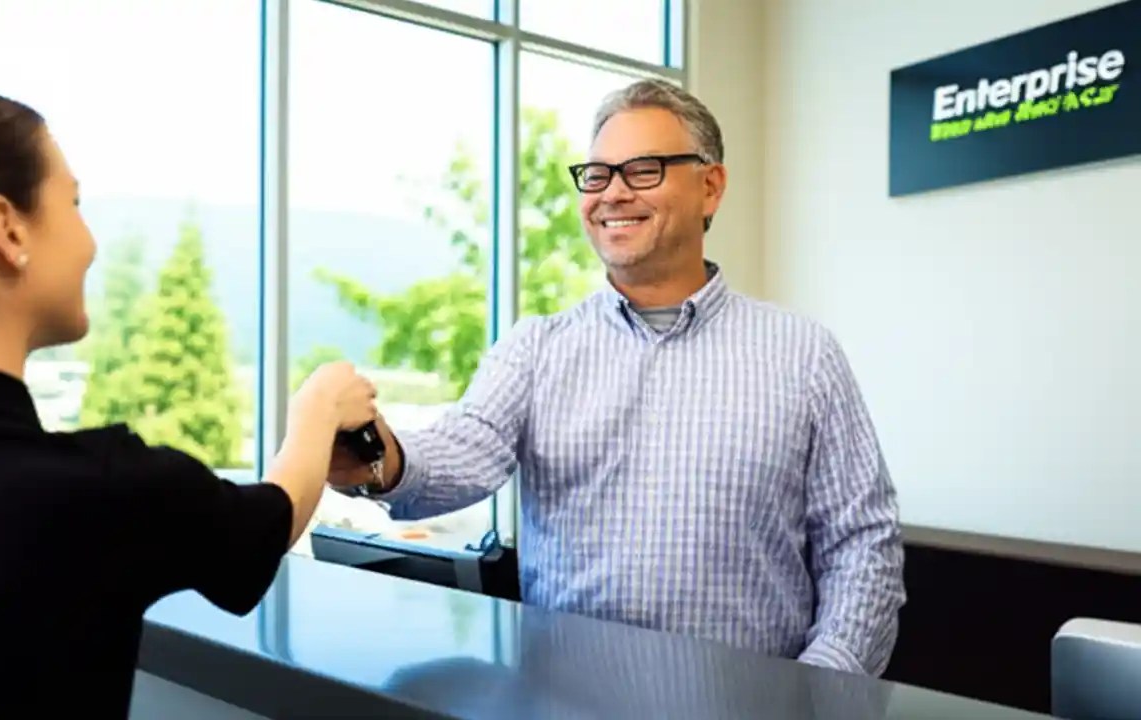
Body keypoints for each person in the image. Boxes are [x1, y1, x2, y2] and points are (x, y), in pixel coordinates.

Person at [329, 79, 906, 676]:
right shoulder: (537, 348)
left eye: (644, 170)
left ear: (711, 187)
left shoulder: (804, 355)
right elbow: (459, 454)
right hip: (567, 702)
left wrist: (819, 691)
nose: (613, 193)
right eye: (599, 175)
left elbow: (863, 546)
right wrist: (374, 459)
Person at [0, 81, 377, 719]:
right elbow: (263, 528)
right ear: (6, 227)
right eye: (73, 204)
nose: (90, 243)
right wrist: (320, 409)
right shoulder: (100, 492)